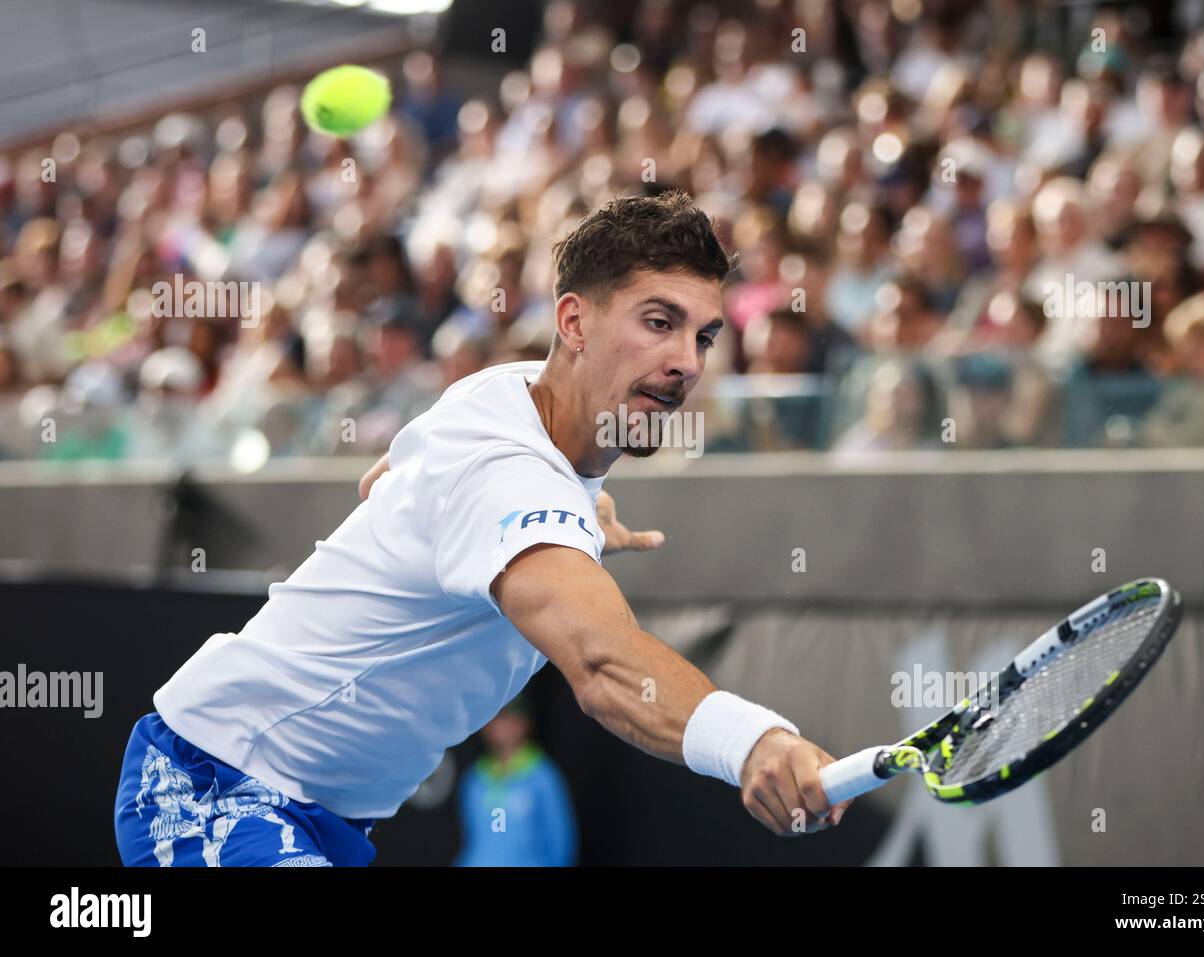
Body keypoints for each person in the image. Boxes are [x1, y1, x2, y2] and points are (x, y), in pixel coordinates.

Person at [113, 191, 849, 867]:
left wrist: (575, 513)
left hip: (321, 816)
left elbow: (398, 472)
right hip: (215, 783)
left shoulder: (506, 395)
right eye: (659, 323)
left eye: (704, 335)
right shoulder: (509, 474)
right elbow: (602, 668)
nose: (685, 361)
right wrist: (752, 741)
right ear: (573, 321)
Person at [453, 700, 577, 867]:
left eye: (507, 717)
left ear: (523, 723)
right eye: (494, 718)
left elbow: (559, 839)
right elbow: (472, 839)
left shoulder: (542, 776)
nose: (499, 725)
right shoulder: (474, 779)